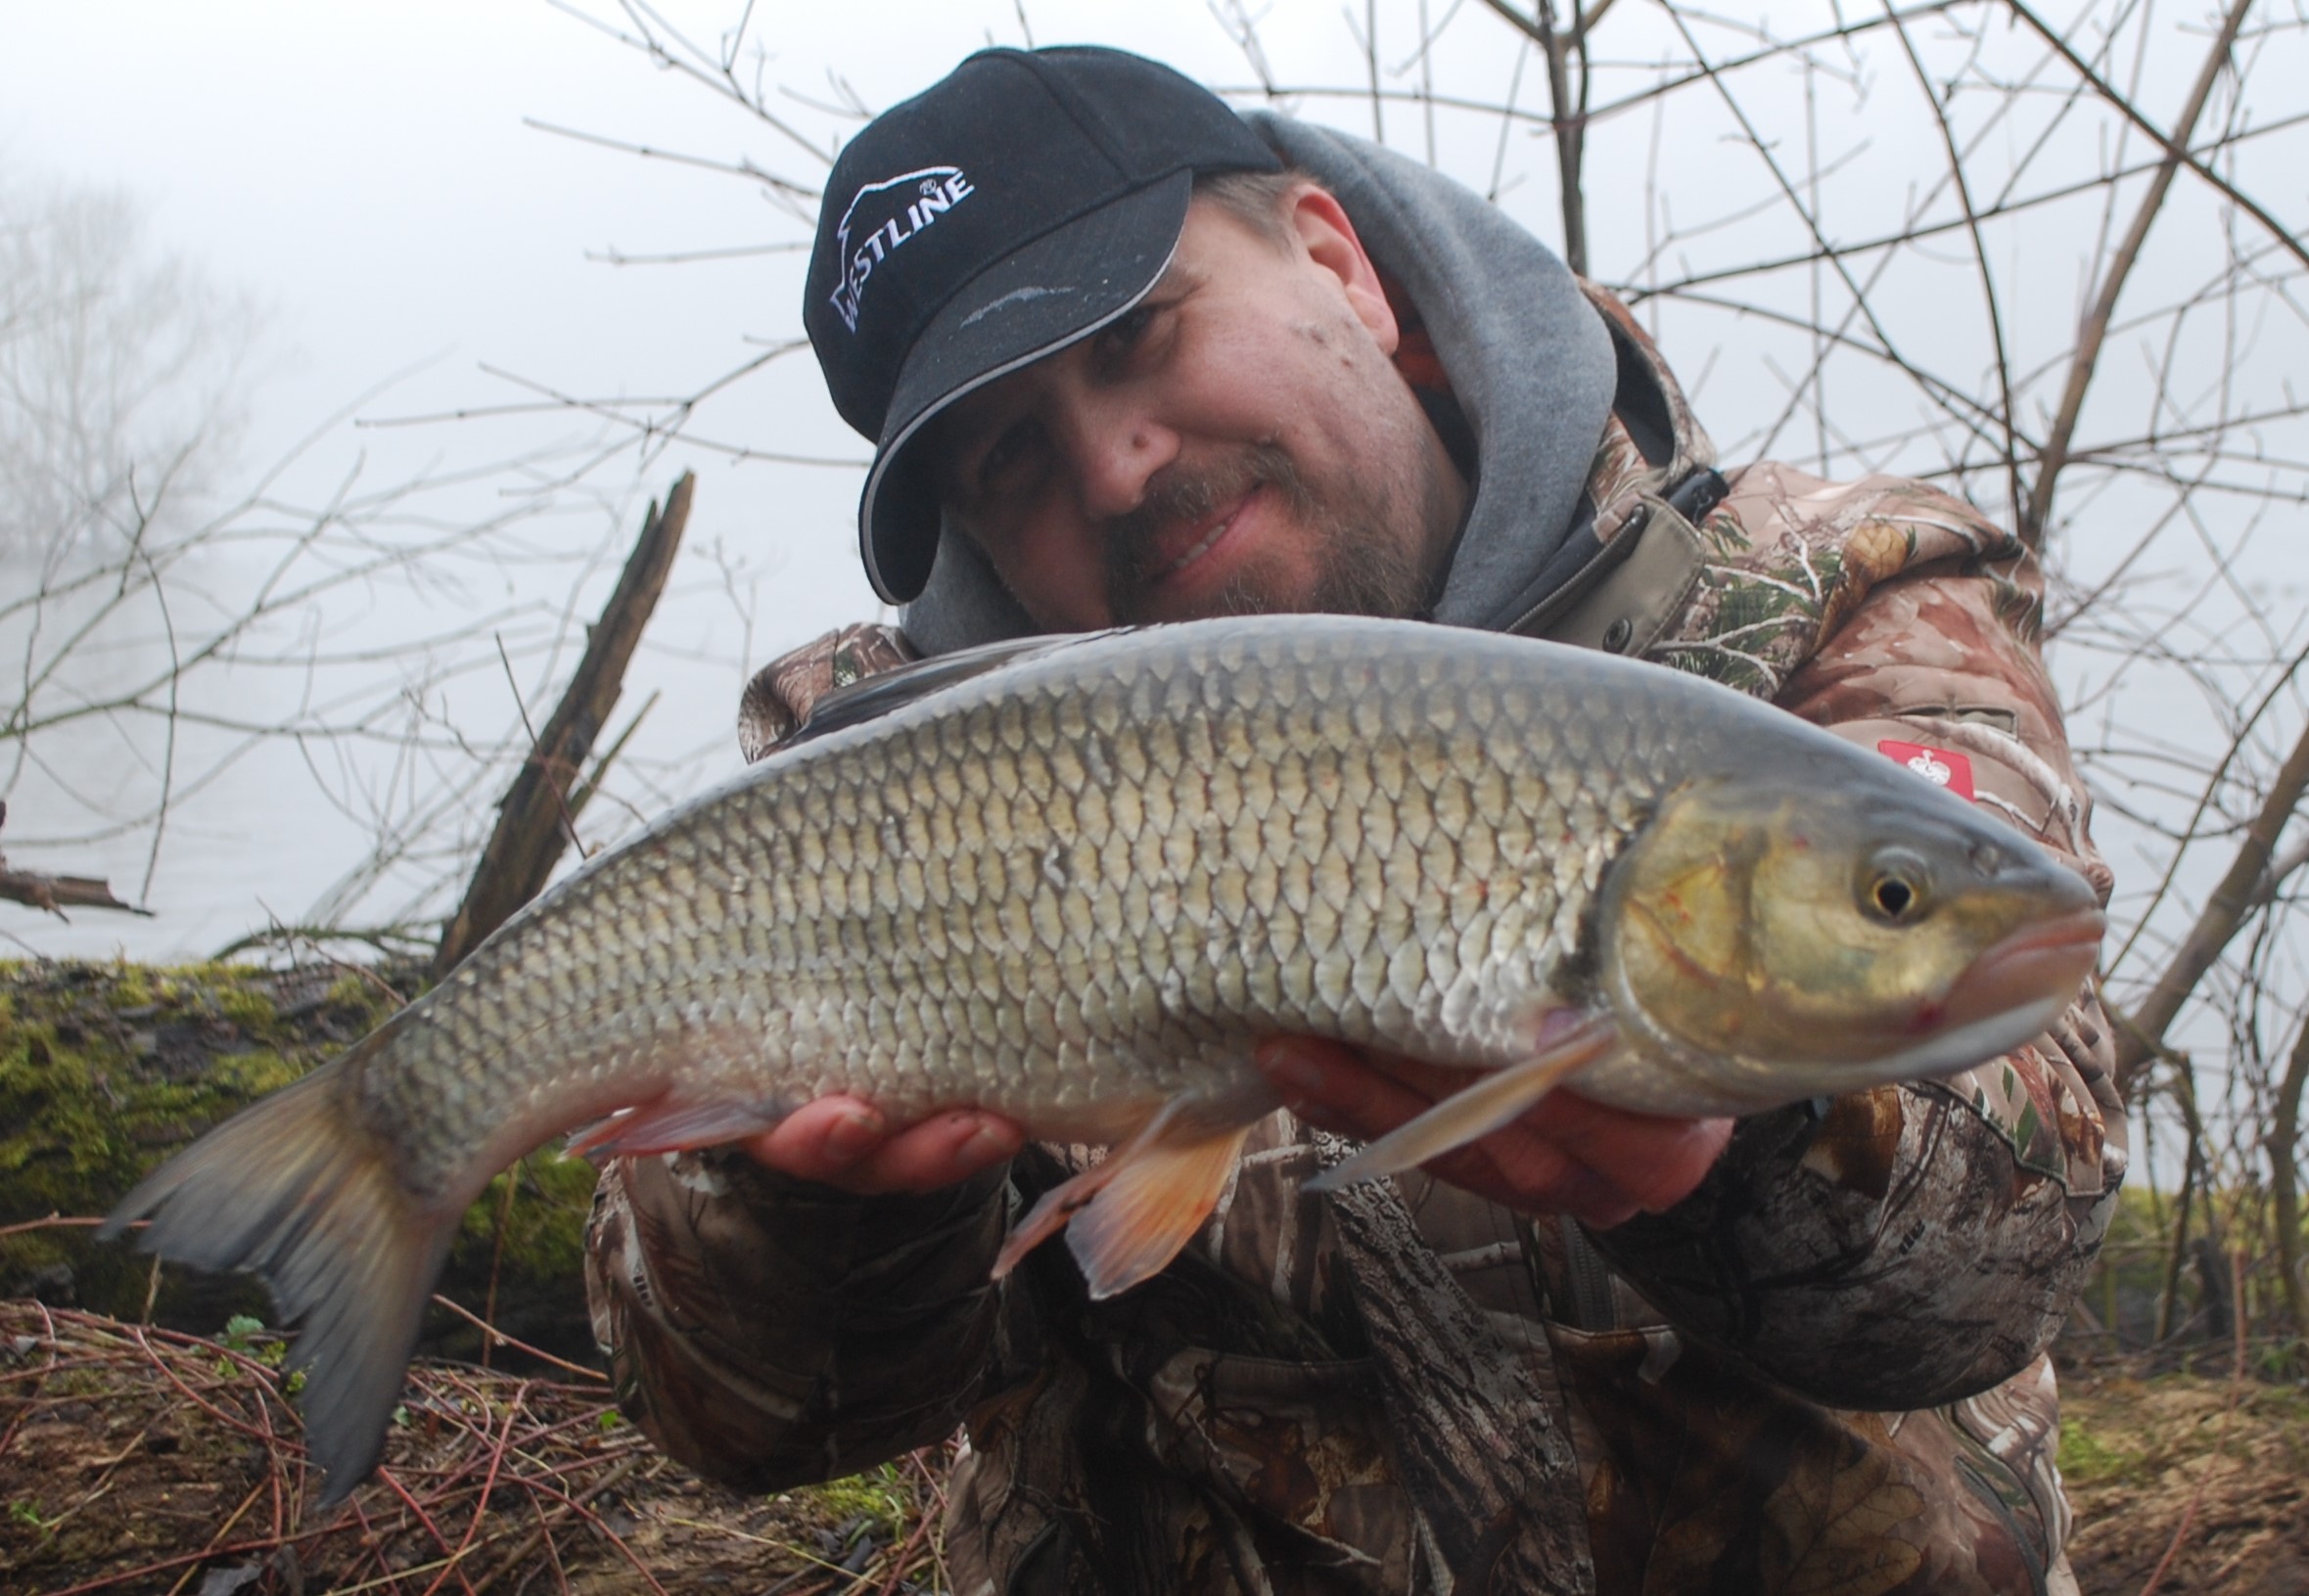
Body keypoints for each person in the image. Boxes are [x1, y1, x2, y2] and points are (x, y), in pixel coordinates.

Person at [584, 46, 2123, 1596]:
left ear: (1337, 260)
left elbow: (2003, 1248)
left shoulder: (1834, 596)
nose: (1114, 469)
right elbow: (747, 1423)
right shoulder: (873, 774)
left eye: (1137, 335)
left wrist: (1738, 1139)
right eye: (1010, 456)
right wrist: (803, 1208)